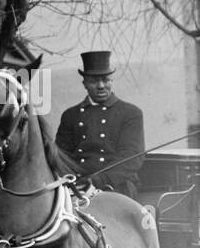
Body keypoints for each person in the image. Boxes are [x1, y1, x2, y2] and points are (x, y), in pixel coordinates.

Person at [55, 50, 145, 200]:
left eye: (106, 79)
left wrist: (99, 181)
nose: (101, 86)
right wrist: (73, 181)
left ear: (112, 81)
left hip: (116, 185)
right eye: (94, 81)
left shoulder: (130, 113)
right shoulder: (70, 115)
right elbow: (61, 157)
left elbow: (131, 158)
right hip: (78, 185)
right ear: (85, 84)